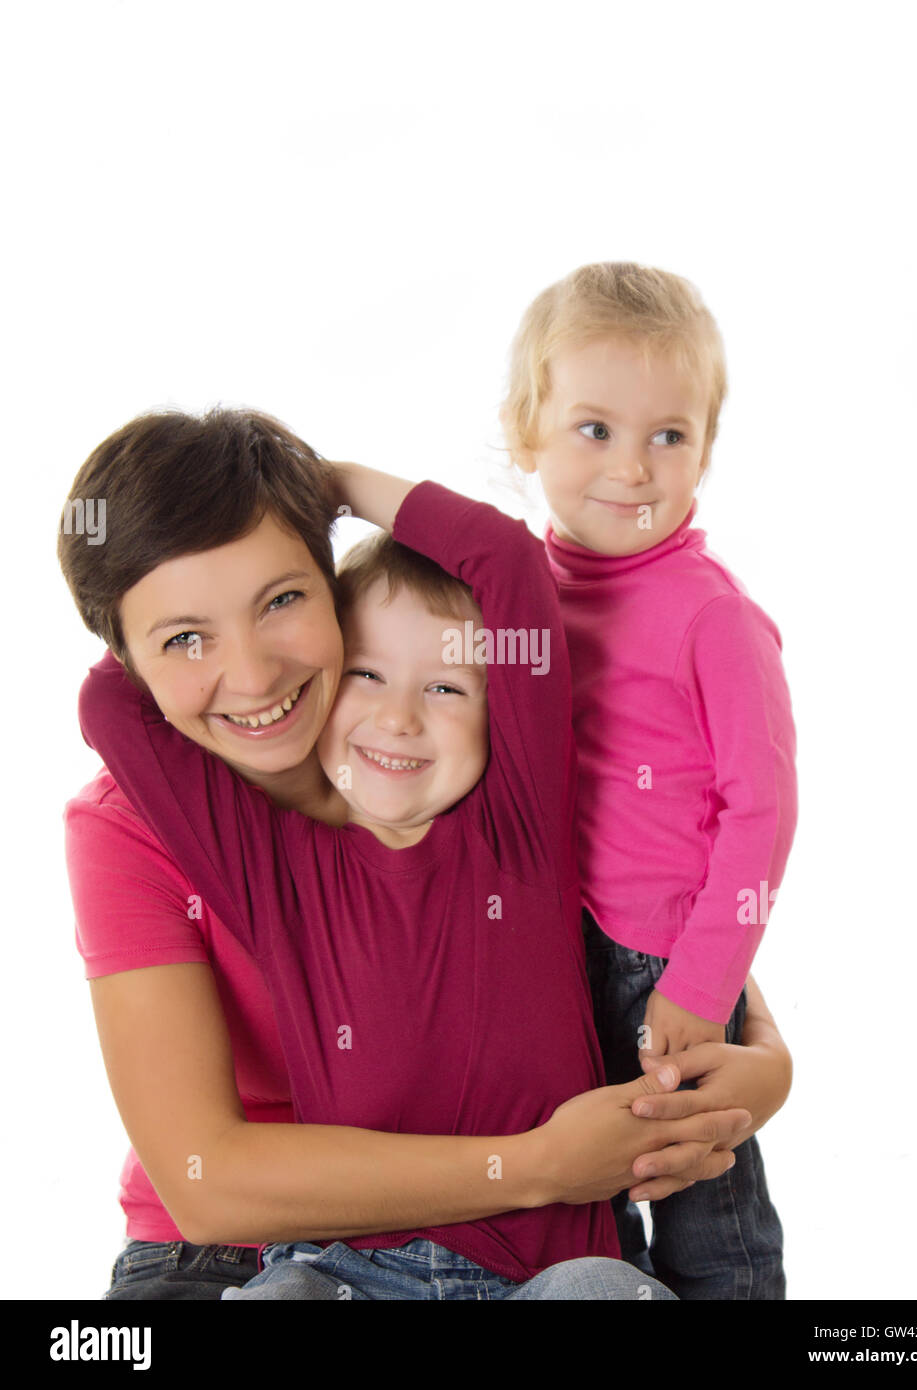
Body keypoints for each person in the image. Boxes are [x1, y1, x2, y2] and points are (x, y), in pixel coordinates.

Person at [60, 408, 791, 1299]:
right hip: (252, 1251)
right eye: (183, 637)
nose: (251, 677)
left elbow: (665, 970)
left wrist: (310, 484)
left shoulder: (520, 815)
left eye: (282, 598)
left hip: (547, 1258)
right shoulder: (230, 846)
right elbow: (208, 1184)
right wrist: (537, 1166)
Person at [501, 262, 798, 1298]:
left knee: (700, 1189)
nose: (632, 467)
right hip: (551, 941)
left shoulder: (711, 615)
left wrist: (703, 982)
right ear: (523, 431)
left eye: (667, 436)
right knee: (591, 1197)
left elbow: (762, 811)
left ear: (704, 451)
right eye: (595, 430)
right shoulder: (518, 589)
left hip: (658, 963)